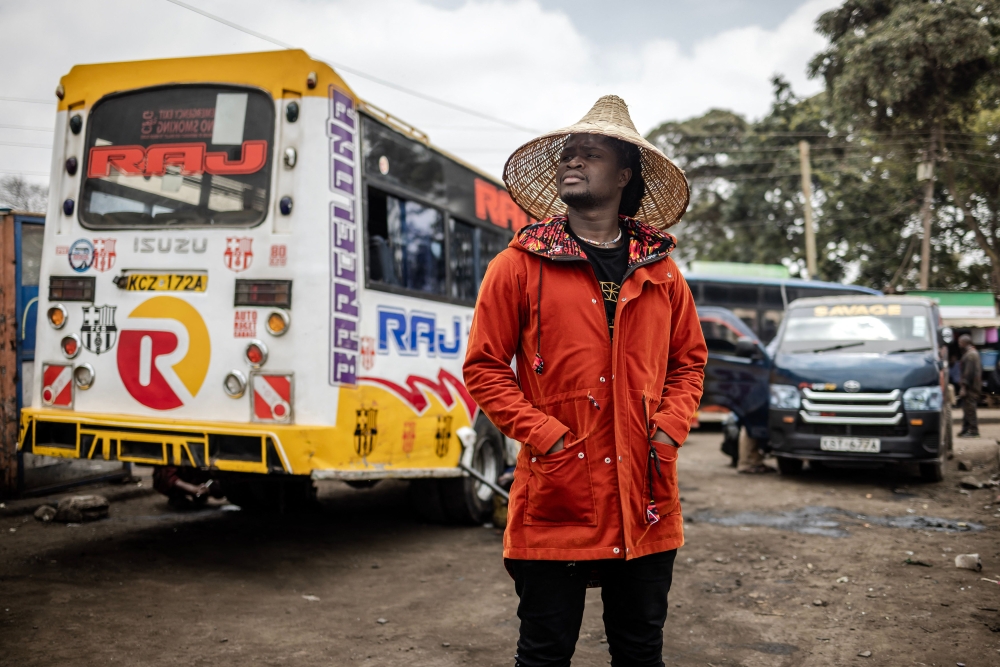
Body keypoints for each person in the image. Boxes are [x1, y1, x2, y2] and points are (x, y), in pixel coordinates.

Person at [464, 95, 706, 667]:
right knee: (545, 653)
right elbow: (485, 367)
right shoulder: (516, 266)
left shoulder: (663, 273)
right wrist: (544, 434)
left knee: (640, 650)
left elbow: (688, 362)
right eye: (567, 155)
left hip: (644, 495)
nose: (572, 162)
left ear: (624, 175)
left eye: (589, 154)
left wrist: (668, 428)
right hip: (557, 494)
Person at [152, 466, 224, 510]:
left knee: (218, 488)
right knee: (179, 503)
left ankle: (200, 495)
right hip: (176, 481)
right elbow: (169, 478)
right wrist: (194, 489)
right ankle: (176, 497)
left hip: (194, 476)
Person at [958, 334, 982, 438]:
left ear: (964, 343)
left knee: (970, 408)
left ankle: (973, 430)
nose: (959, 344)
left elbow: (968, 373)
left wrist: (964, 386)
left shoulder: (970, 355)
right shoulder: (972, 353)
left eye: (960, 342)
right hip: (972, 386)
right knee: (966, 407)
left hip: (971, 387)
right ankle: (965, 429)